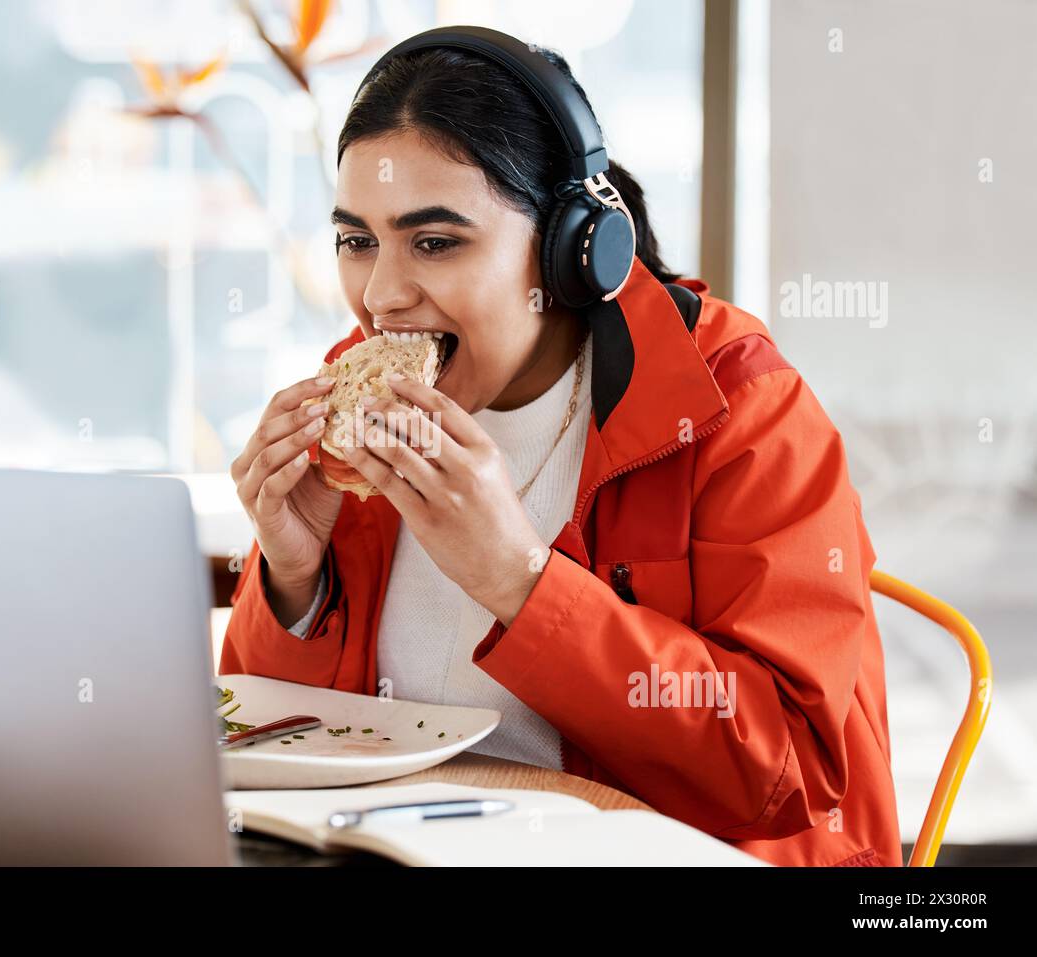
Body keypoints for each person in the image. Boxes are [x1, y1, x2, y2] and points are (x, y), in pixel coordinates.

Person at [220, 33, 901, 868]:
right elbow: (272, 772)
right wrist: (295, 582)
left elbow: (792, 769)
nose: (381, 297)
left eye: (435, 242)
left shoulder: (740, 408)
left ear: (569, 248)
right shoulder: (359, 413)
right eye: (357, 240)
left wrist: (521, 582)